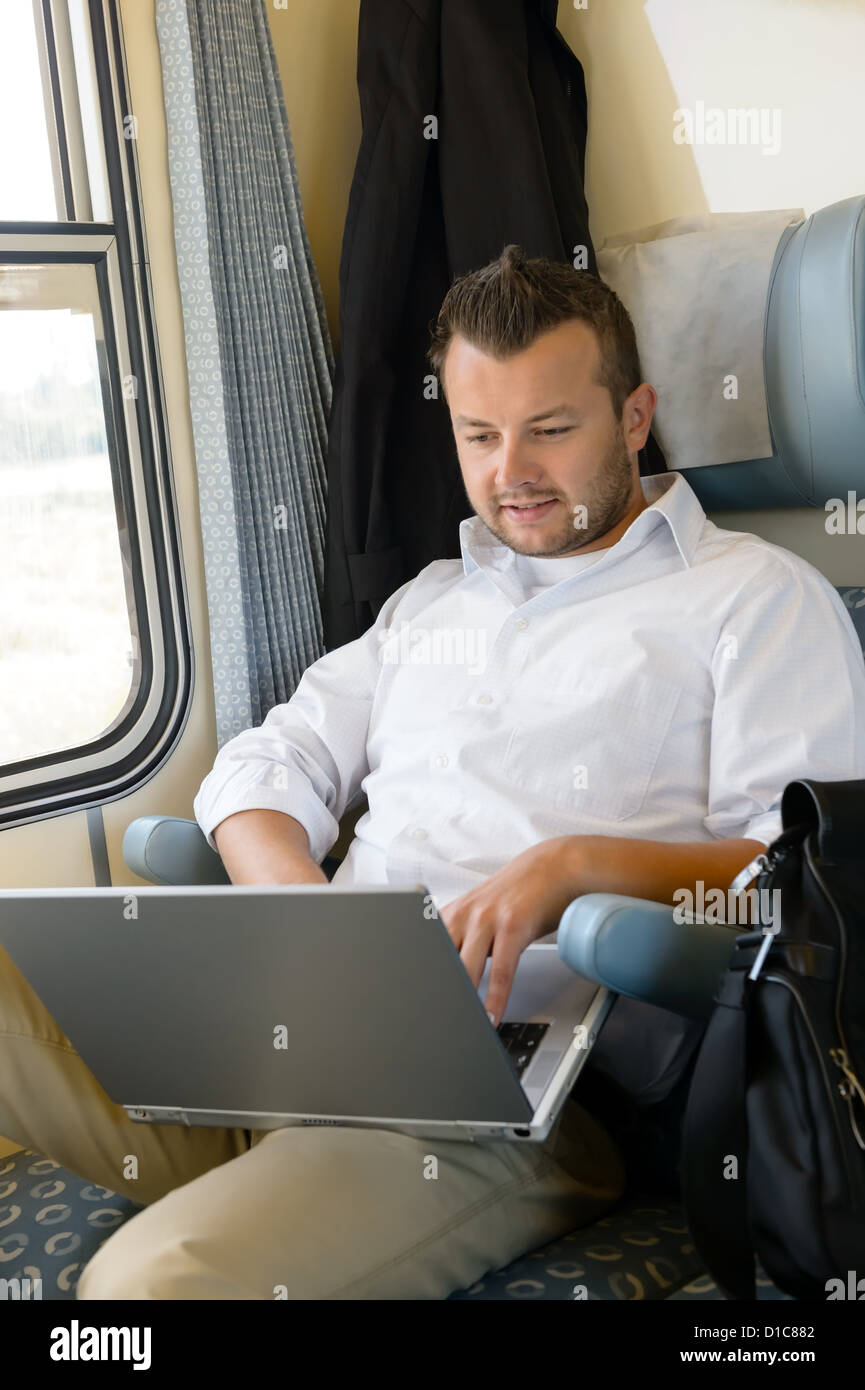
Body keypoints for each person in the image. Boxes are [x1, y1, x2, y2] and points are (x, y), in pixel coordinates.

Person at [5, 247, 864, 1300]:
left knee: (146, 1292)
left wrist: (571, 866)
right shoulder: (432, 602)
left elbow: (804, 875)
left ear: (633, 416)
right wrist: (297, 906)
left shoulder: (755, 601)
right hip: (303, 1029)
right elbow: (268, 761)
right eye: (479, 434)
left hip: (494, 1097)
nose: (513, 470)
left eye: (551, 428)